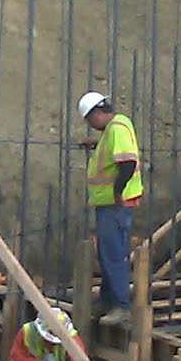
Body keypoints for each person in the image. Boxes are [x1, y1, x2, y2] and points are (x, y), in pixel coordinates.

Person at [77, 91, 143, 326]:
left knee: (113, 255)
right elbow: (114, 150)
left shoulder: (117, 127)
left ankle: (121, 307)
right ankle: (107, 302)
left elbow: (127, 162)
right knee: (107, 252)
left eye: (89, 120)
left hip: (114, 205)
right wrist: (95, 143)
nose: (90, 125)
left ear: (97, 113)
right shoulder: (113, 130)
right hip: (109, 205)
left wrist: (117, 193)